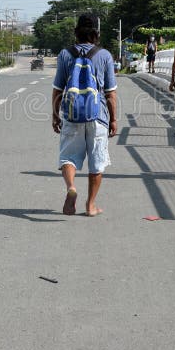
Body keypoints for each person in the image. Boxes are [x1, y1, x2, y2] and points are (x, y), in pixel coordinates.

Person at [52, 14, 118, 216]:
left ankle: (71, 187)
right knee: (96, 162)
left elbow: (58, 89)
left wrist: (55, 114)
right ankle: (90, 205)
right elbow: (110, 94)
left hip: (72, 114)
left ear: (76, 32)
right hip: (98, 116)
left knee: (68, 157)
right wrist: (113, 119)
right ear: (96, 33)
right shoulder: (104, 55)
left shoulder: (65, 54)